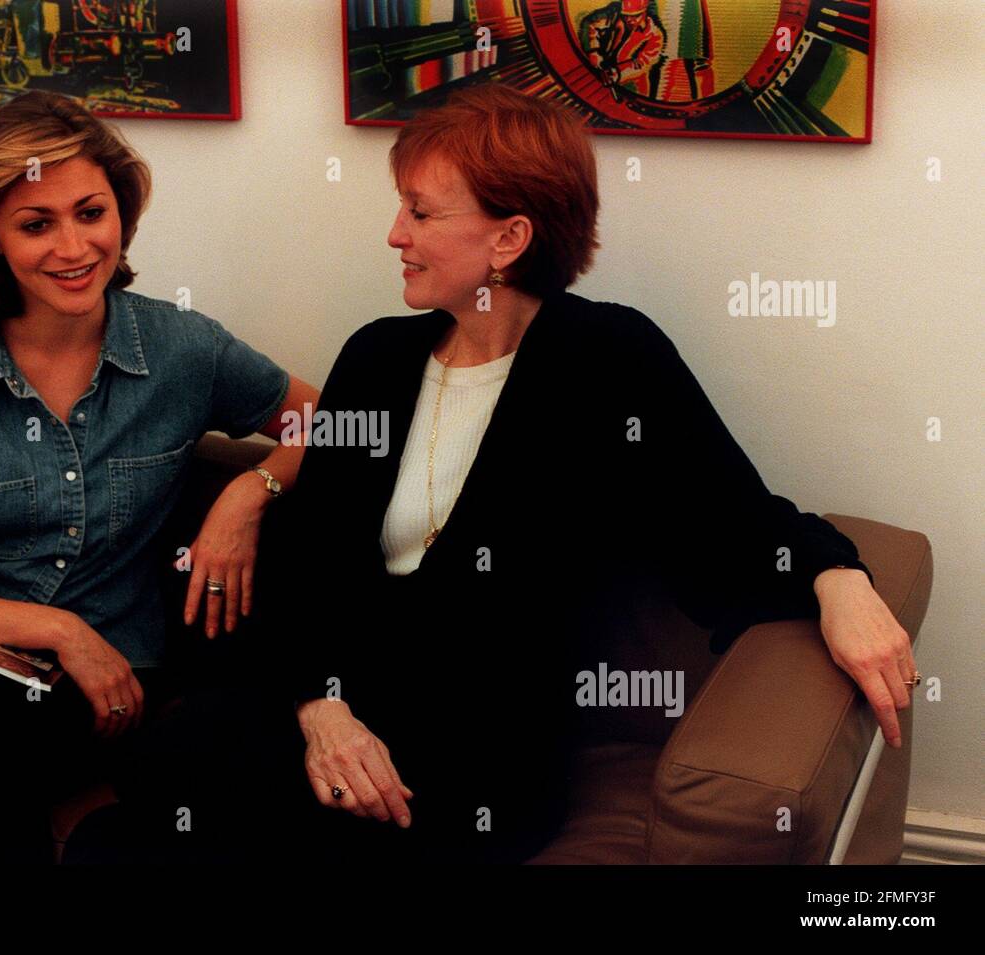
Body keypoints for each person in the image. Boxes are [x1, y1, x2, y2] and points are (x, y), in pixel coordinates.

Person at [66, 83, 918, 865]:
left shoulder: (609, 359)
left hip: (475, 756)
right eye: (400, 207)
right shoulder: (377, 356)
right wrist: (321, 709)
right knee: (154, 784)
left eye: (421, 212)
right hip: (325, 713)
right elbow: (310, 568)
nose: (394, 235)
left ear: (510, 238)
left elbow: (733, 524)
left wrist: (835, 574)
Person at [0, 89, 318, 864]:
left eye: (91, 213)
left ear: (122, 215)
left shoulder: (184, 350)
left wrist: (252, 491)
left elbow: (339, 421)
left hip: (87, 689)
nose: (73, 247)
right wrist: (60, 629)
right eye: (35, 223)